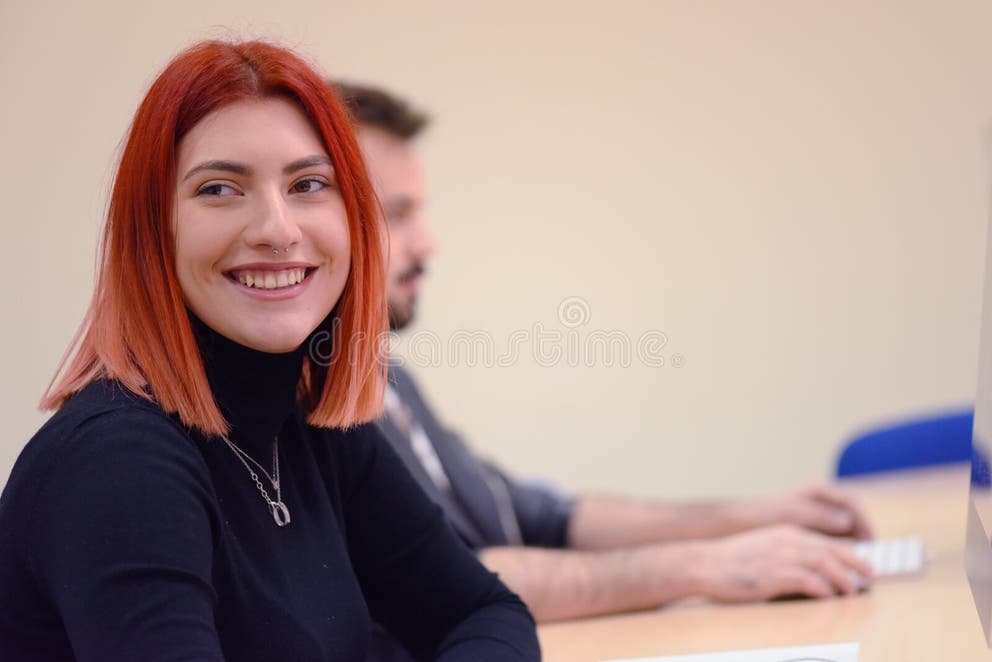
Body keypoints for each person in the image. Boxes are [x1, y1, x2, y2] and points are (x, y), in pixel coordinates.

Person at [0, 41, 540, 662]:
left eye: (308, 184)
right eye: (219, 189)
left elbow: (484, 612)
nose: (277, 230)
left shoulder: (312, 426)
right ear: (153, 230)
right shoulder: (118, 463)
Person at [336, 81, 878, 623]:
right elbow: (447, 576)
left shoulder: (387, 378)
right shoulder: (322, 411)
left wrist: (752, 518)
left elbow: (544, 518)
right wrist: (703, 567)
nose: (427, 243)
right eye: (398, 215)